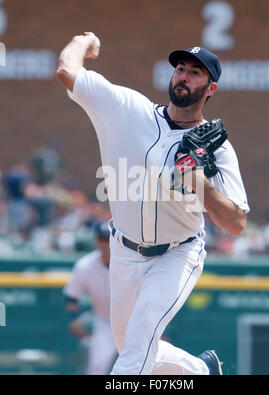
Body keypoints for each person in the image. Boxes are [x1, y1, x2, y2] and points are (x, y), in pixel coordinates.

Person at [57, 33, 250, 375]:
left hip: (177, 253)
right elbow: (66, 72)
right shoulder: (127, 109)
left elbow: (235, 223)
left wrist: (198, 181)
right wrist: (81, 41)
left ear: (211, 88)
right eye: (180, 68)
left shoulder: (217, 150)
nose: (183, 76)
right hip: (124, 251)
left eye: (195, 72)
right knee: (132, 345)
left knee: (134, 349)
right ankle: (201, 370)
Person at [64, 221, 117, 375]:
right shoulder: (85, 265)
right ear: (96, 240)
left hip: (134, 321)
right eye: (102, 238)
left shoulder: (133, 261)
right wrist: (74, 318)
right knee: (97, 367)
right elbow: (72, 296)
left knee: (150, 366)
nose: (105, 243)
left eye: (109, 239)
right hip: (105, 322)